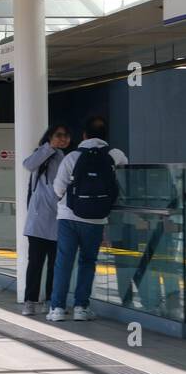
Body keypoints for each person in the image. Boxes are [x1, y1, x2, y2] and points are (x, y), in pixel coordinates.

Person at [47, 116, 127, 321]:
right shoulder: (114, 154)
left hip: (69, 217)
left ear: (84, 135)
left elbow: (58, 189)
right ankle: (81, 308)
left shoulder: (72, 157)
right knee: (88, 262)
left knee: (63, 262)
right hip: (96, 219)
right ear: (106, 136)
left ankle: (57, 309)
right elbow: (125, 169)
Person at [20, 124, 70, 315]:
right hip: (39, 219)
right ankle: (30, 301)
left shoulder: (66, 157)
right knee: (35, 263)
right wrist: (49, 147)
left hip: (58, 218)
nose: (63, 139)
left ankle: (51, 300)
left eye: (66, 136)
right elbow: (28, 164)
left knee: (55, 264)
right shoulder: (42, 153)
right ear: (50, 136)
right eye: (59, 135)